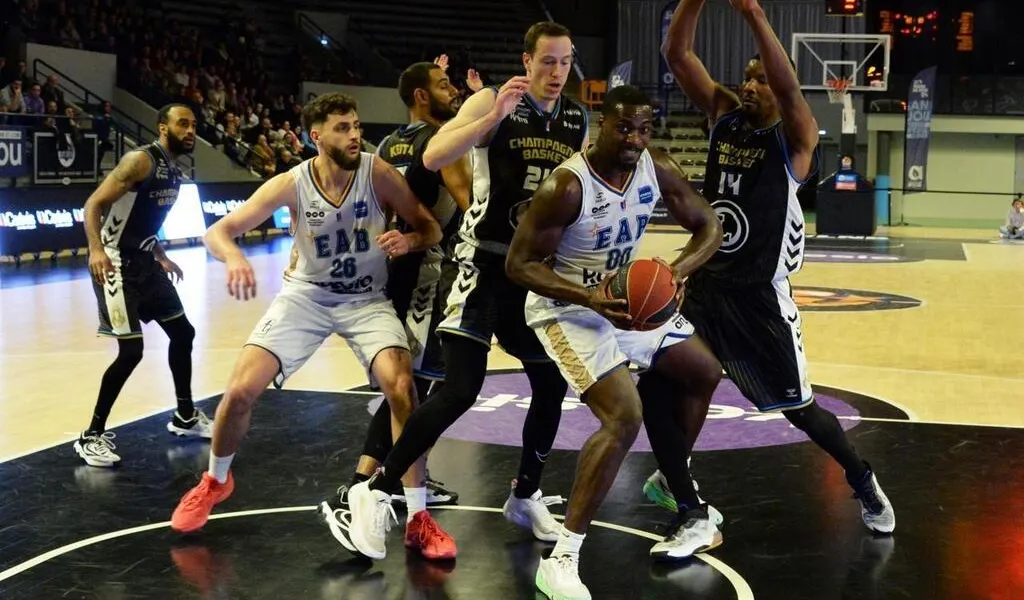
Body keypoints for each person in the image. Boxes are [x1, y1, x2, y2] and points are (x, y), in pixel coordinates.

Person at [330, 21, 590, 561]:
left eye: (565, 62)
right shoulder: (497, 100)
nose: (557, 72)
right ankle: (375, 492)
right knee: (460, 388)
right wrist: (489, 117)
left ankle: (525, 494)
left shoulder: (575, 118)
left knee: (550, 383)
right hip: (483, 263)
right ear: (526, 61)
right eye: (547, 61)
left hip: (531, 272)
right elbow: (434, 156)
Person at [169, 94, 450, 561]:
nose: (355, 135)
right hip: (307, 297)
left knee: (402, 389)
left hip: (365, 299)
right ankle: (215, 481)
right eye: (342, 128)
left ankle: (419, 517)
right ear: (315, 136)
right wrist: (235, 255)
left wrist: (409, 237)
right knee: (238, 390)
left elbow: (431, 227)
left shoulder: (377, 172)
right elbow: (216, 232)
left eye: (357, 125)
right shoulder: (291, 183)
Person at [653, 0, 895, 533]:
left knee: (799, 409)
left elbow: (789, 93)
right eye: (747, 78)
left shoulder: (794, 137)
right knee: (687, 382)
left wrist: (754, 14)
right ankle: (675, 479)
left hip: (761, 297)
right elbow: (676, 53)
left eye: (761, 79)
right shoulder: (723, 115)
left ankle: (862, 480)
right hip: (710, 285)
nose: (751, 86)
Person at [506, 84, 725, 599]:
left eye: (644, 129)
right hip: (567, 309)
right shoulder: (566, 186)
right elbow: (519, 265)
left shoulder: (658, 167)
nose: (634, 138)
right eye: (624, 127)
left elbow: (709, 226)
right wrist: (586, 297)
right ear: (600, 124)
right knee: (624, 417)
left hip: (627, 300)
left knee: (704, 372)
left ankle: (672, 479)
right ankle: (562, 558)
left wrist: (674, 274)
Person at [338, 59, 468, 509]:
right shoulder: (440, 142)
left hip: (394, 270)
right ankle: (381, 480)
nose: (451, 91)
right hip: (428, 269)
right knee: (418, 386)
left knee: (404, 383)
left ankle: (366, 476)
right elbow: (469, 202)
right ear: (420, 95)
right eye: (443, 85)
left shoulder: (389, 144)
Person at [75, 104, 210, 467]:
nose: (190, 130)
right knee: (131, 352)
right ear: (162, 127)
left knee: (183, 333)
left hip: (146, 262)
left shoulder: (176, 170)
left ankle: (184, 416)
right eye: (183, 123)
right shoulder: (140, 161)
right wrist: (96, 251)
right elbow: (93, 204)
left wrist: (162, 255)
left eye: (194, 124)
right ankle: (91, 436)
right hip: (115, 265)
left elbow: (144, 222)